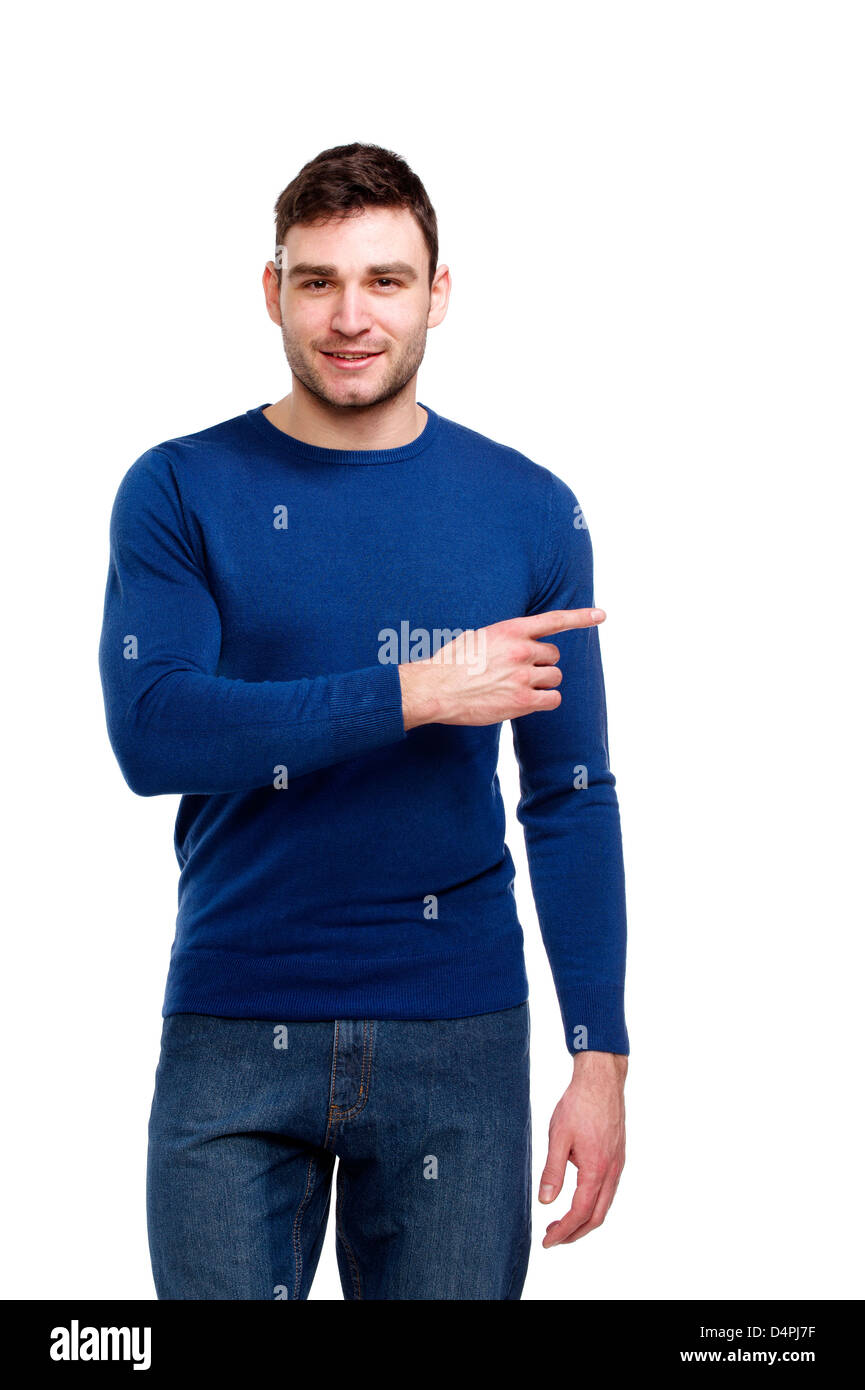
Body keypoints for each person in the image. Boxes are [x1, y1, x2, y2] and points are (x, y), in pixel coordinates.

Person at [98, 141, 629, 1301]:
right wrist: (417, 693)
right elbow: (155, 730)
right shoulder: (181, 487)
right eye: (318, 280)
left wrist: (600, 1054)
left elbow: (569, 794)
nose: (350, 315)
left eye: (386, 280)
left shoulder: (529, 509)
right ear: (272, 289)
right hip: (235, 1021)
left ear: (438, 293)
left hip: (458, 1033)